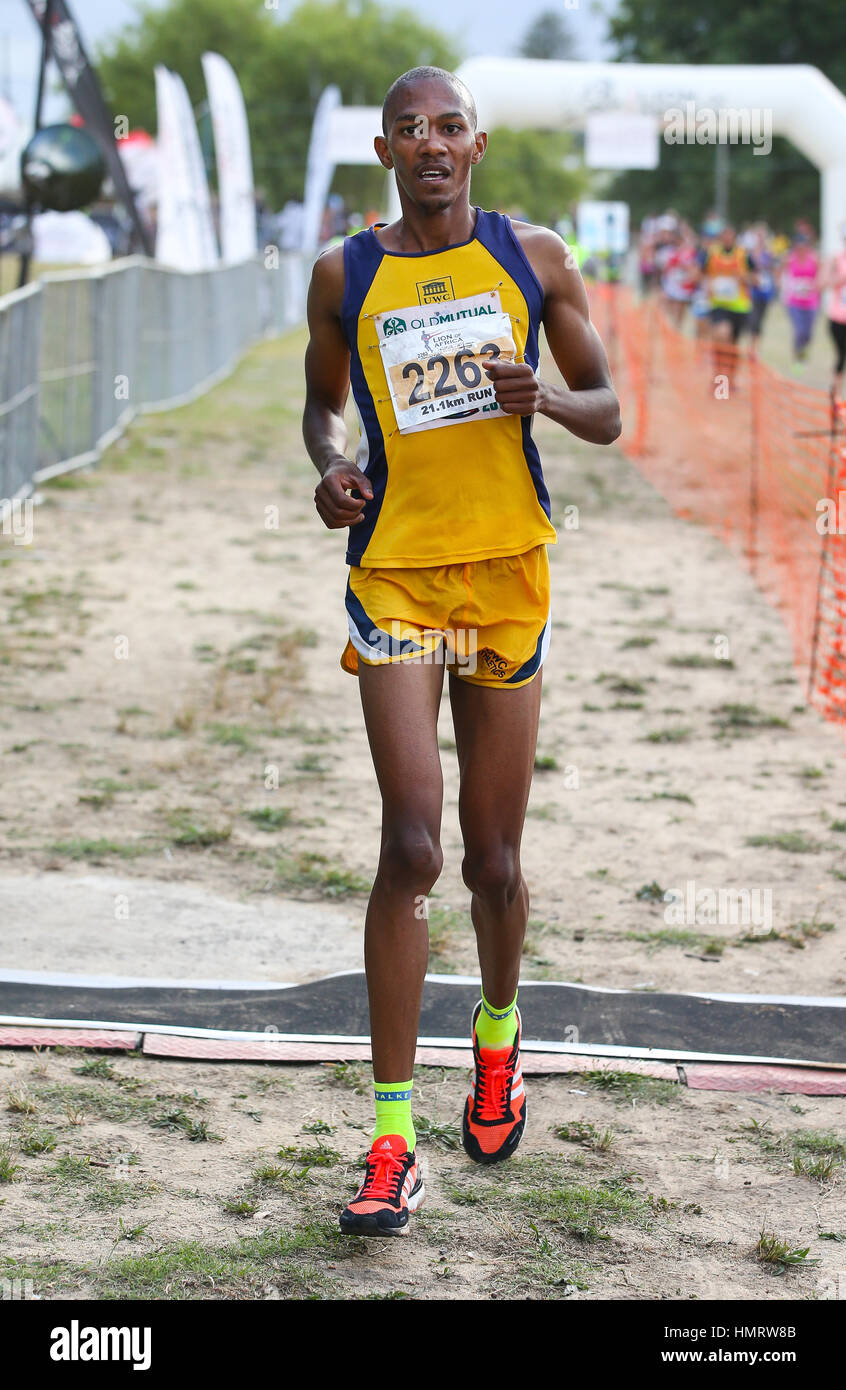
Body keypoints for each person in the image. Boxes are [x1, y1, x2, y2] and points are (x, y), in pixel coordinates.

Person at [302, 65, 621, 1237]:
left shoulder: (533, 259)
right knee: (414, 844)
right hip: (396, 572)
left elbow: (609, 409)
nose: (429, 144)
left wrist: (542, 398)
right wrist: (329, 469)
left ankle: (497, 1038)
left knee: (492, 860)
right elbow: (320, 405)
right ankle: (392, 1137)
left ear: (476, 145)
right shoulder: (347, 272)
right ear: (384, 153)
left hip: (505, 574)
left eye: (448, 128)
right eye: (408, 131)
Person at [782, 232, 821, 370]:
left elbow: (820, 276)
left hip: (811, 301)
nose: (801, 249)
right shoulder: (790, 259)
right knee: (799, 331)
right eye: (799, 246)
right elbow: (783, 275)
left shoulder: (814, 259)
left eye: (804, 246)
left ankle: (803, 351)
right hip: (795, 302)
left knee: (808, 333)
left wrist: (815, 286)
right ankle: (797, 358)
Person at [822, 221, 846, 398]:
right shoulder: (836, 259)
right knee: (841, 356)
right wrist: (841, 277)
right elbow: (824, 284)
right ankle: (834, 394)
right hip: (838, 318)